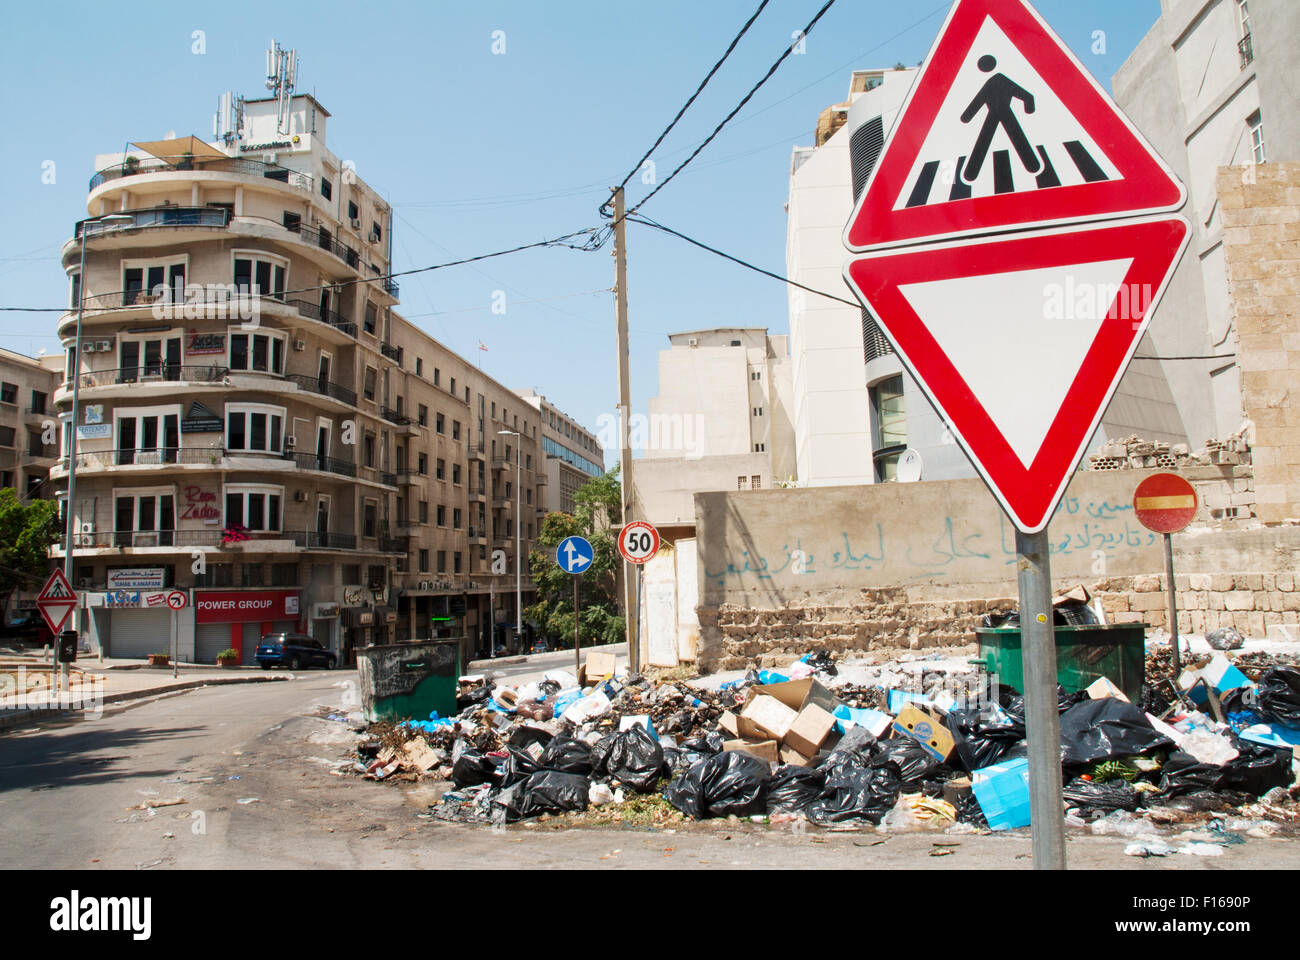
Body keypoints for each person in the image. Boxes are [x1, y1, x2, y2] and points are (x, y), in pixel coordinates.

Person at [960, 54, 1041, 183]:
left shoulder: (995, 81)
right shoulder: (999, 80)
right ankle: (1033, 166)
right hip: (1000, 113)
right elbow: (1026, 96)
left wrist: (966, 117)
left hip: (998, 113)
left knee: (984, 141)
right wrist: (1028, 107)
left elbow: (977, 101)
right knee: (1014, 138)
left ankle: (970, 174)